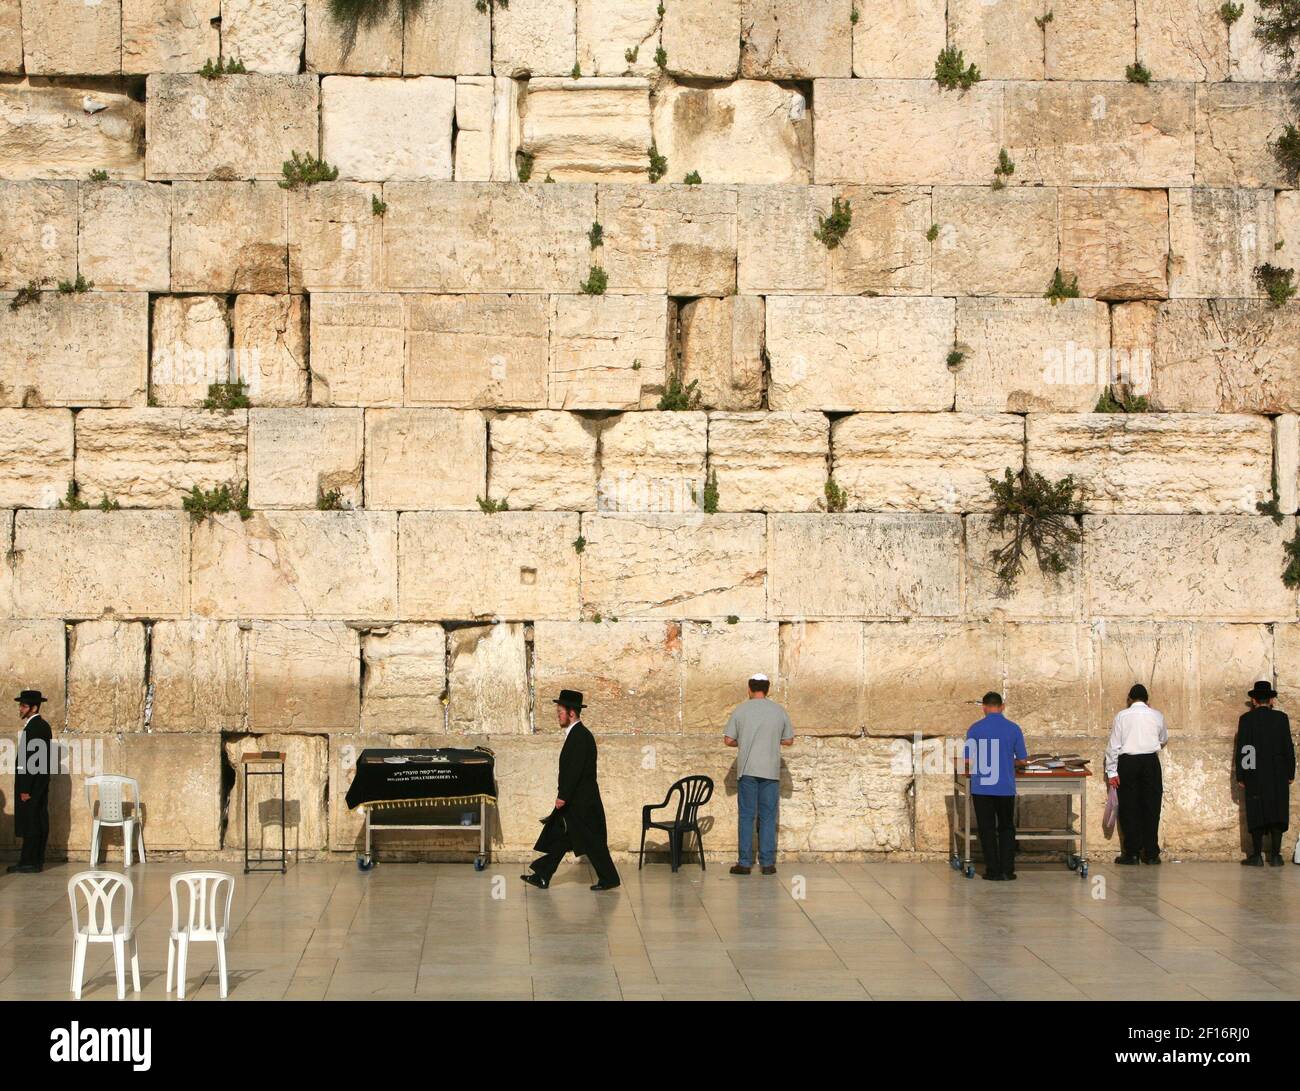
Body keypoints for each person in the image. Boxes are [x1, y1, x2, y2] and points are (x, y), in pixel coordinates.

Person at [521, 690, 620, 892]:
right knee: (562, 838)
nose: (558, 716)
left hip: (581, 803)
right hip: (578, 801)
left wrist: (562, 796)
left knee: (591, 841)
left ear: (571, 713)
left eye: (560, 713)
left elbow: (574, 770)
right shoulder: (577, 735)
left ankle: (609, 878)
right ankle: (542, 876)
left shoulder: (580, 737)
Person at [724, 673, 793, 876]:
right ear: (768, 688)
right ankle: (767, 863)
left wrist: (745, 741)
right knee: (768, 816)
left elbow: (728, 740)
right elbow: (788, 740)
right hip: (770, 771)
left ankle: (745, 863)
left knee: (747, 816)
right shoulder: (778, 711)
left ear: (749, 688)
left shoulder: (741, 710)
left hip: (747, 770)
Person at [964, 692, 1027, 881]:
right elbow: (1022, 760)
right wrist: (1009, 761)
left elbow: (968, 760)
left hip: (982, 787)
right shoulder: (1013, 728)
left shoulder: (975, 729)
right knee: (1007, 828)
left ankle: (992, 870)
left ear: (983, 707)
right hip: (1005, 786)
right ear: (1002, 706)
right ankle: (1007, 870)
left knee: (987, 828)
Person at [1104, 683, 1167, 865]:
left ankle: (1131, 853)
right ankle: (1151, 853)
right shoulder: (1157, 715)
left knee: (1129, 807)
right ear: (1147, 700)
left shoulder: (1122, 716)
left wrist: (1112, 771)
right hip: (1150, 762)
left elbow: (1113, 746)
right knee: (1151, 806)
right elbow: (1163, 738)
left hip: (1128, 763)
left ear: (1129, 699)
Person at [1235, 680, 1295, 867]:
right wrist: (1290, 772)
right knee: (1278, 810)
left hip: (1255, 771)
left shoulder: (1246, 720)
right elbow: (1288, 748)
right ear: (1271, 700)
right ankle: (1276, 856)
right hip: (1278, 772)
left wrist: (1243, 775)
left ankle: (1256, 856)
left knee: (1256, 810)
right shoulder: (1281, 718)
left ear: (1253, 700)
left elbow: (1245, 749)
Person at [10, 690, 53, 875]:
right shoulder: (39, 726)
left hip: (31, 786)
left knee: (32, 821)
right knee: (36, 819)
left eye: (24, 705)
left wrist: (27, 789)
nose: (20, 708)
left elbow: (34, 762)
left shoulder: (36, 727)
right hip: (36, 785)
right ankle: (33, 860)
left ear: (33, 708)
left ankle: (30, 861)